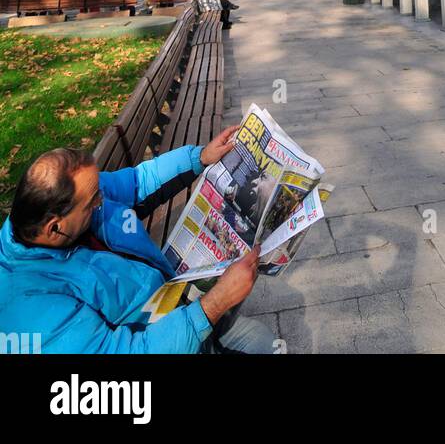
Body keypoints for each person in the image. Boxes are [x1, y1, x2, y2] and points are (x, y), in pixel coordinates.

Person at [0, 128, 273, 354]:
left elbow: (137, 182)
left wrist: (199, 157)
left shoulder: (76, 199)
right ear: (54, 228)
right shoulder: (29, 307)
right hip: (162, 340)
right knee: (263, 343)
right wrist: (214, 305)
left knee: (265, 340)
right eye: (93, 199)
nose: (101, 199)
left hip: (179, 307)